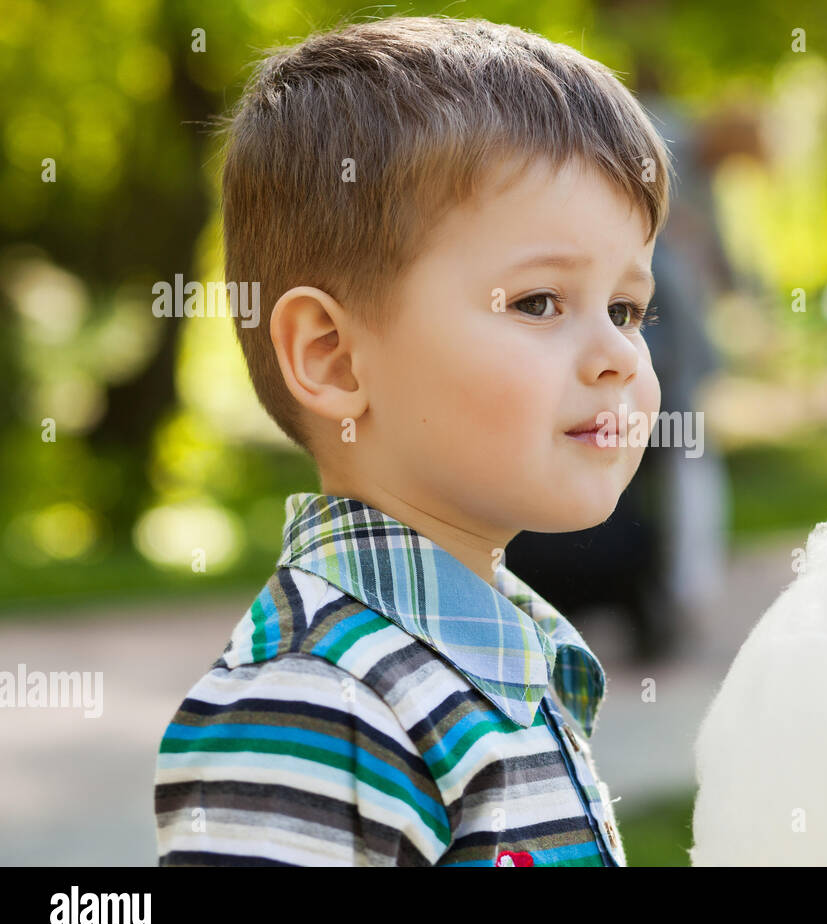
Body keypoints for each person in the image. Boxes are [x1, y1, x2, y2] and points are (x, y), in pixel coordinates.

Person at [152, 15, 675, 866]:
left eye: (626, 309)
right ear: (332, 356)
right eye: (540, 302)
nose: (619, 354)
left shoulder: (494, 656)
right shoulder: (321, 707)